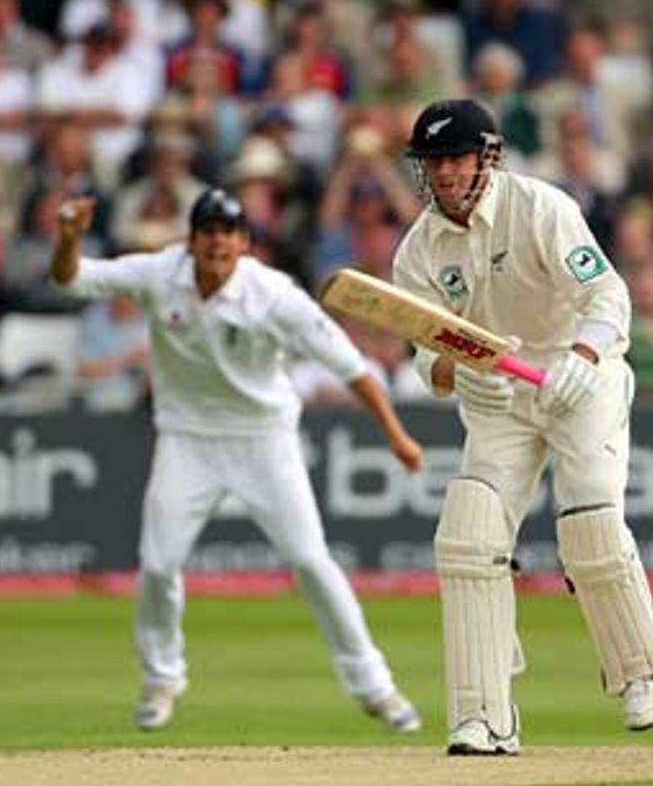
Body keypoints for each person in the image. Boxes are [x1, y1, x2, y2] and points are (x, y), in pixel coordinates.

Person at [50, 188, 426, 734]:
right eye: (207, 232)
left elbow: (353, 368)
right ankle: (161, 678)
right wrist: (66, 240)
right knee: (158, 564)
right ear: (192, 239)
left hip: (263, 439)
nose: (217, 242)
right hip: (186, 439)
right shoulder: (160, 273)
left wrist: (397, 437)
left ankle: (377, 688)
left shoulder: (276, 297)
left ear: (244, 242)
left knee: (311, 562)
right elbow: (72, 278)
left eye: (228, 232)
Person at [393, 99, 653, 755]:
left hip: (581, 381)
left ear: (487, 156)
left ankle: (638, 671)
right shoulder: (419, 251)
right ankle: (483, 715)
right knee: (466, 536)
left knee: (588, 522)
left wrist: (582, 354)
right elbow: (425, 354)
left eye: (455, 158)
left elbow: (608, 295)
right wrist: (458, 373)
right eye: (433, 163)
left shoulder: (541, 208)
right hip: (498, 398)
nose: (444, 174)